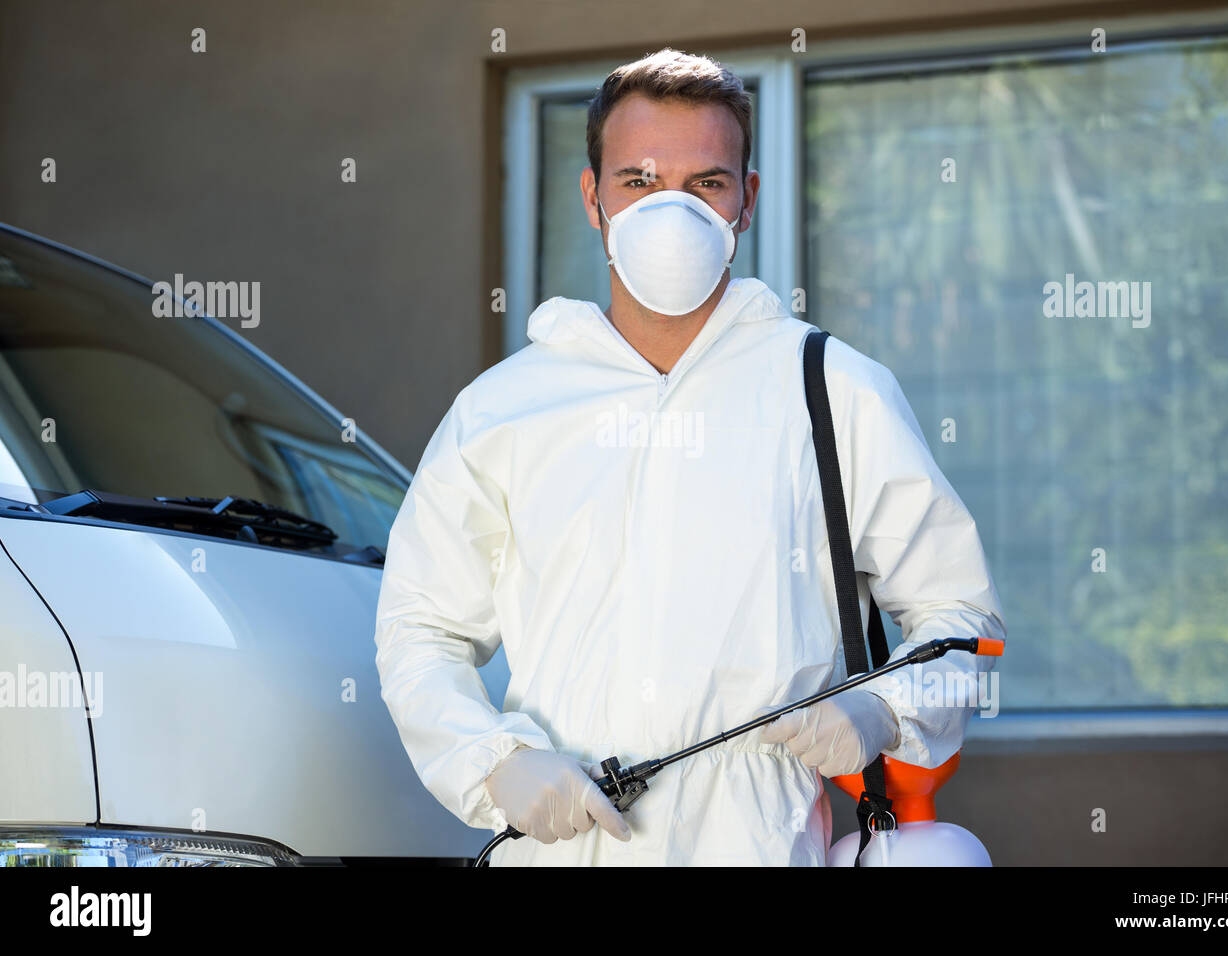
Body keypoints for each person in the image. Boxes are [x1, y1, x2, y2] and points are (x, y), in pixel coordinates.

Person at [374, 47, 1006, 866]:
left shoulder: (833, 391)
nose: (670, 212)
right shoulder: (501, 411)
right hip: (562, 849)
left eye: (706, 182)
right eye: (637, 180)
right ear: (592, 197)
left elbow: (966, 628)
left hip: (763, 846)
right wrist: (496, 764)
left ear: (745, 201)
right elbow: (419, 629)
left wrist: (879, 714)